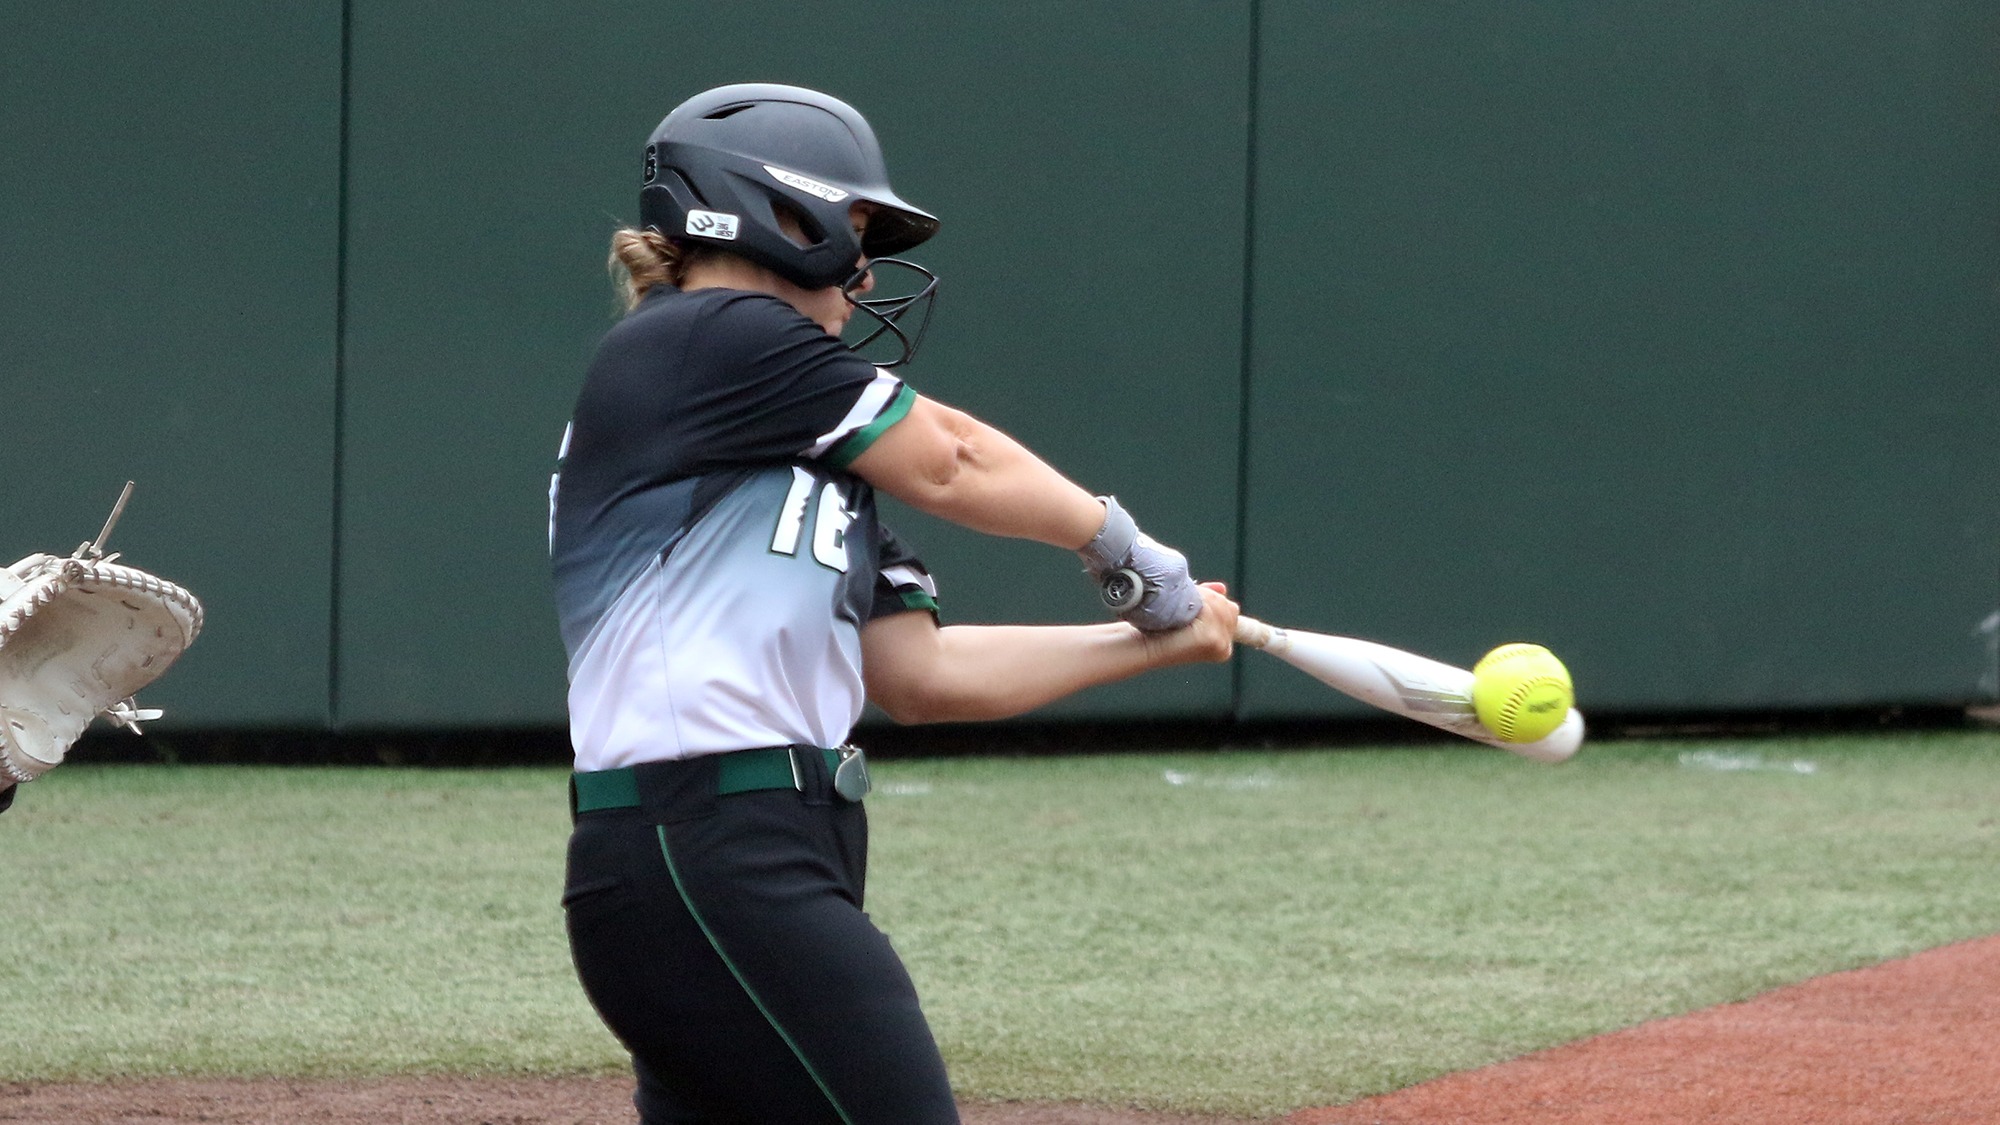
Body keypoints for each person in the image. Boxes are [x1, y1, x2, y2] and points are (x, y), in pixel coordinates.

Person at [548, 83, 1239, 1125]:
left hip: (745, 856)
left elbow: (919, 678)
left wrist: (1152, 645)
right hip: (705, 850)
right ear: (774, 210)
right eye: (854, 226)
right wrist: (1126, 551)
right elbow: (956, 459)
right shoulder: (705, 336)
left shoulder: (800, 456)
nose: (863, 268)